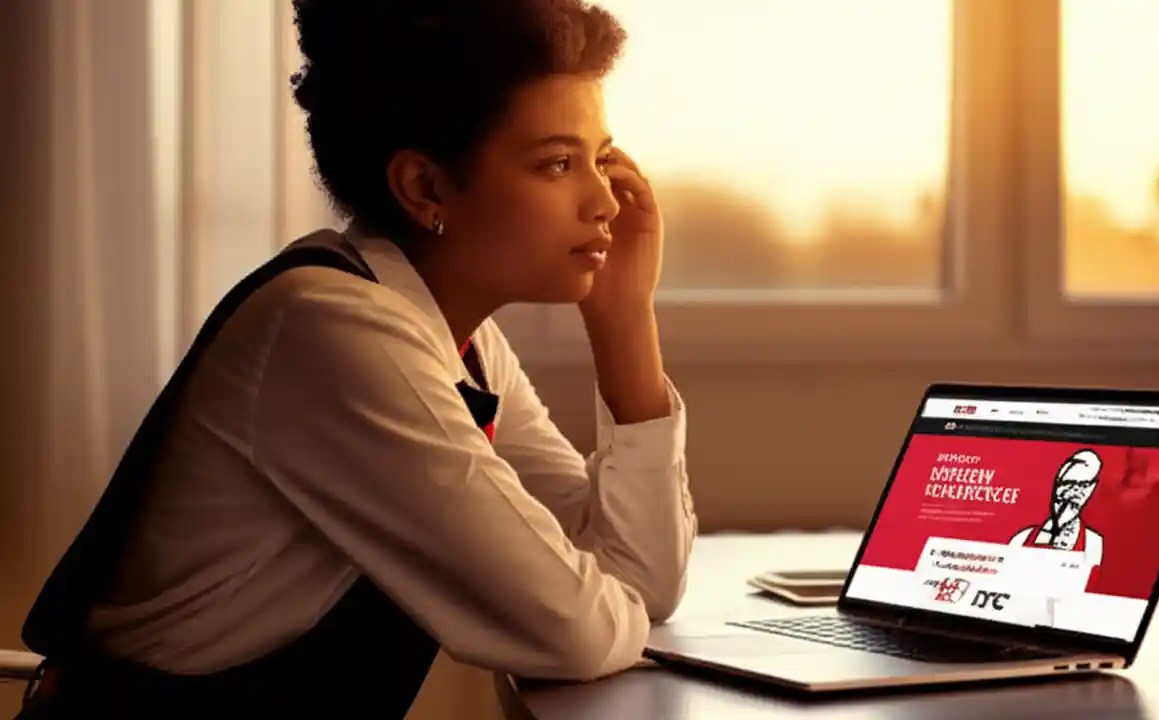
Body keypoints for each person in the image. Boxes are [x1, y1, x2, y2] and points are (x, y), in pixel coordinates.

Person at [18, 1, 695, 717]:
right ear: (425, 188)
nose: (605, 201)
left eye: (601, 159)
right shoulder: (334, 332)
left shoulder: (456, 342)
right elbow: (575, 630)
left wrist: (624, 322)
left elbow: (642, 585)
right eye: (557, 163)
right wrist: (604, 594)